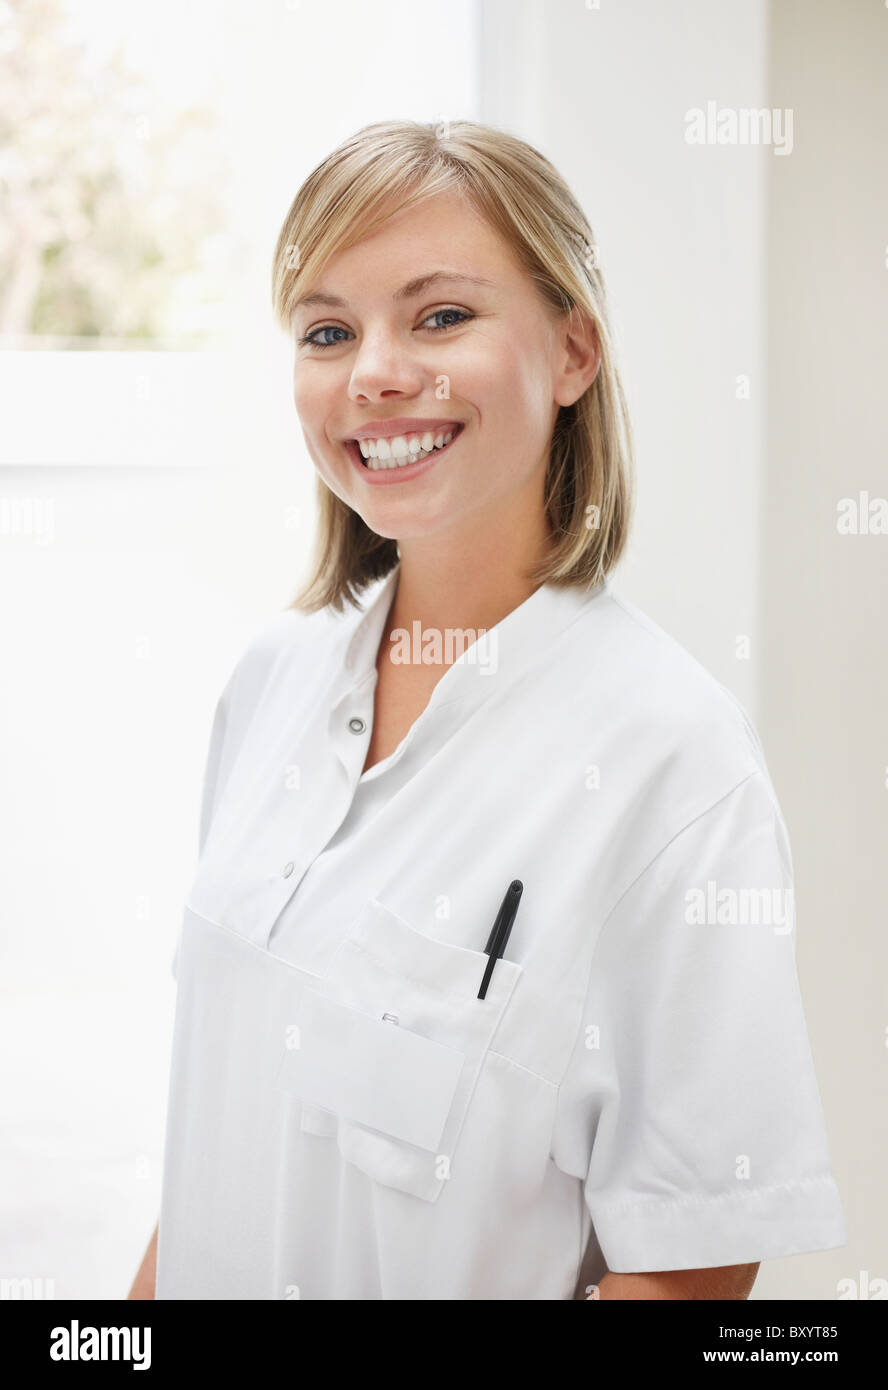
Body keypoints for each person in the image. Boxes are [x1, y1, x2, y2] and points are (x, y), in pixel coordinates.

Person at [129, 119, 846, 1301]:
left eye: (441, 315)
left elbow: (689, 1275)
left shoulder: (676, 767)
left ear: (573, 351)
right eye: (327, 329)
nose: (373, 371)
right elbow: (223, 1145)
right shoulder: (268, 684)